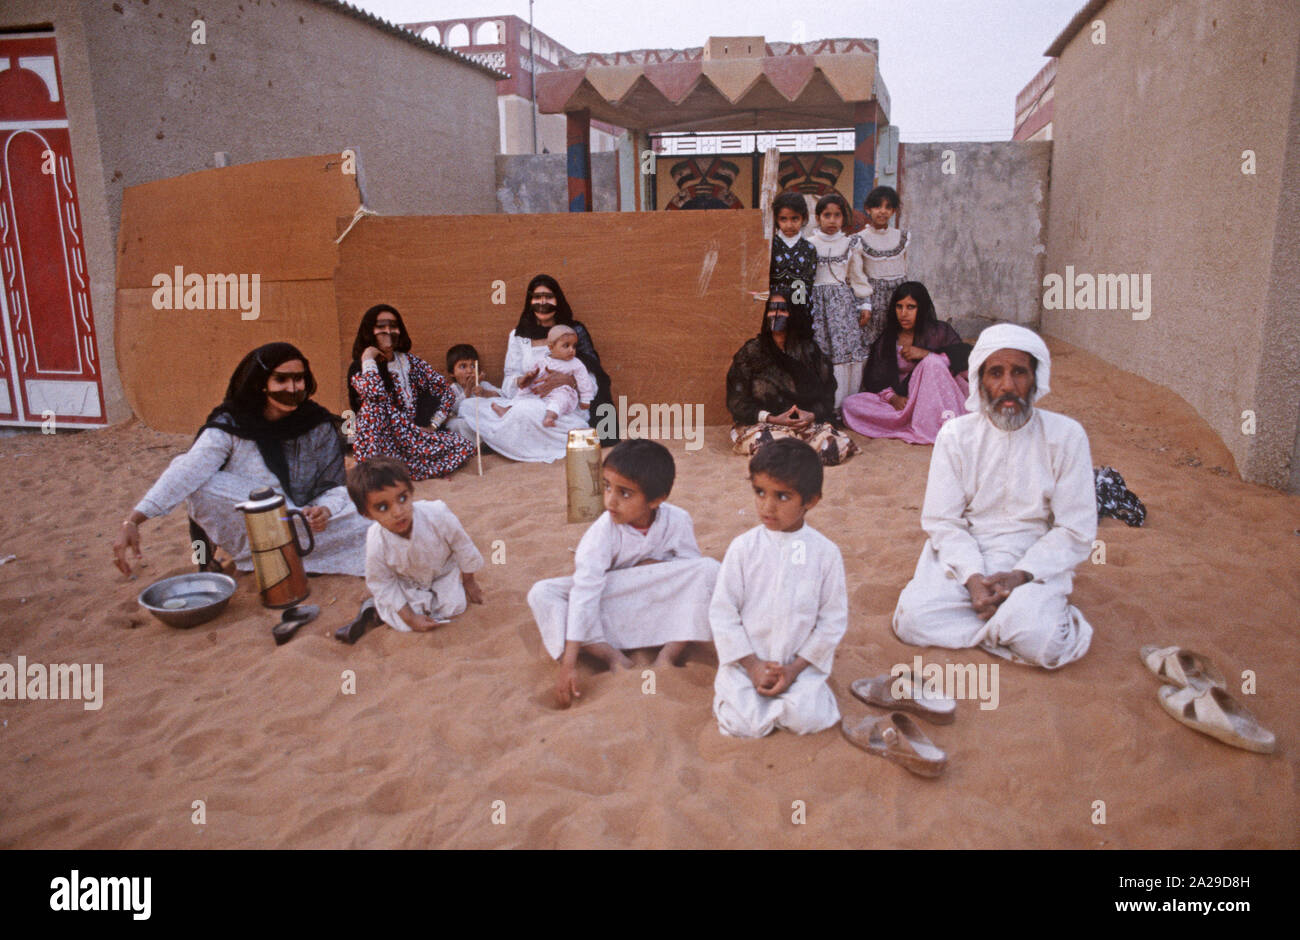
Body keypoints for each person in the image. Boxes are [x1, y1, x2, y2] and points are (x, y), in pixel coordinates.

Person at [891, 324, 1096, 668]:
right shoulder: (956, 436)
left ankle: (1014, 615)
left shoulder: (1066, 436)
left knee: (1044, 642)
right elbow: (944, 522)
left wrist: (1021, 575)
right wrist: (972, 579)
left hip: (1032, 556)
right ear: (979, 380)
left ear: (1035, 378)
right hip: (969, 552)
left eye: (1019, 372)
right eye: (996, 373)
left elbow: (1075, 531)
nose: (1007, 386)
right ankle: (1007, 622)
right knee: (912, 620)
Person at [113, 342, 369, 577]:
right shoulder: (232, 425)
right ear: (261, 383)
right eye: (281, 379)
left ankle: (285, 556)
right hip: (256, 524)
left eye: (299, 379)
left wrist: (324, 510)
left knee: (370, 516)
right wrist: (133, 520)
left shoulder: (316, 423)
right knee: (197, 480)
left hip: (307, 524)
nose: (293, 389)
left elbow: (333, 487)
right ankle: (266, 554)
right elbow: (186, 472)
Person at [526, 439, 720, 708]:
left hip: (659, 603)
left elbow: (689, 577)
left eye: (625, 493)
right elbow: (585, 593)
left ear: (656, 499)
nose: (610, 501)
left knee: (708, 569)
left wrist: (654, 567)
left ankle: (668, 656)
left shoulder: (677, 520)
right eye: (606, 487)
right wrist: (568, 664)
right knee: (542, 593)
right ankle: (612, 657)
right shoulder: (602, 532)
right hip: (612, 602)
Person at [711, 438, 848, 738]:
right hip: (746, 665)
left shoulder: (825, 554)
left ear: (810, 501)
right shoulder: (743, 549)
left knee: (808, 719)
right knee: (741, 724)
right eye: (760, 492)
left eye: (782, 497)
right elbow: (723, 613)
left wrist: (794, 669)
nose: (767, 506)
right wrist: (752, 665)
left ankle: (792, 693)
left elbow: (832, 622)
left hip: (800, 669)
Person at [456, 275, 615, 461]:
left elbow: (593, 379)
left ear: (558, 300)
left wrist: (569, 381)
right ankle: (512, 427)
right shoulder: (518, 335)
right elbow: (509, 379)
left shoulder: (572, 332)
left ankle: (509, 436)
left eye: (548, 297)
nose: (542, 302)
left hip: (562, 407)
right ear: (529, 301)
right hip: (526, 396)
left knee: (524, 411)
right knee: (469, 406)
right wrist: (521, 381)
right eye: (537, 297)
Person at [345, 456, 484, 634]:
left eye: (402, 499)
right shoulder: (375, 538)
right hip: (406, 581)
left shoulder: (437, 513)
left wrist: (469, 582)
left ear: (411, 492)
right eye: (382, 508)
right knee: (405, 621)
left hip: (443, 571)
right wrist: (410, 618)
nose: (397, 512)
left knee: (455, 607)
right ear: (367, 514)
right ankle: (373, 606)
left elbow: (462, 545)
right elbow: (382, 582)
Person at [726, 291, 857, 466]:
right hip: (764, 424)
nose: (776, 314)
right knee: (772, 448)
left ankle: (800, 448)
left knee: (831, 450)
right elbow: (736, 401)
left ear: (793, 315)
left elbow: (827, 393)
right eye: (772, 309)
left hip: (804, 423)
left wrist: (811, 415)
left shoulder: (809, 351)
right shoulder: (752, 352)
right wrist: (772, 419)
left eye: (783, 310)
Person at [347, 304, 474, 480]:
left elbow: (445, 391)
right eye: (381, 326)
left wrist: (434, 425)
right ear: (370, 330)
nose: (388, 331)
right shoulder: (360, 367)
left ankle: (402, 471)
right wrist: (368, 358)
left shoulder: (410, 362)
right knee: (372, 408)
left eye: (393, 326)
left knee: (463, 446)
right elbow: (374, 395)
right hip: (381, 441)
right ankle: (384, 471)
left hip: (412, 437)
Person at [841, 282, 971, 444]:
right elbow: (875, 378)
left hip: (934, 401)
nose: (903, 313)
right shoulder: (888, 339)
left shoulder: (939, 331)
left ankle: (932, 423)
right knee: (850, 403)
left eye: (911, 307)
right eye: (899, 307)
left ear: (921, 308)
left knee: (932, 362)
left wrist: (927, 354)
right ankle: (912, 420)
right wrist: (892, 397)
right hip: (905, 404)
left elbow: (965, 355)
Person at [806, 192, 873, 409]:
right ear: (818, 218)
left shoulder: (850, 244)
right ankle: (822, 404)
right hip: (816, 305)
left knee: (843, 350)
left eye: (837, 215)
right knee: (821, 349)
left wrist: (864, 303)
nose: (832, 220)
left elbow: (857, 276)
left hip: (842, 306)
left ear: (843, 218)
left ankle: (845, 405)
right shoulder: (808, 244)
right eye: (827, 215)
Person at [490, 325, 596, 428]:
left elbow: (584, 382)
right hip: (540, 391)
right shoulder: (544, 360)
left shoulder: (576, 364)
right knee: (524, 391)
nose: (571, 350)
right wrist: (529, 377)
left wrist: (585, 400)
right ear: (551, 347)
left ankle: (550, 417)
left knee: (561, 397)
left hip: (562, 390)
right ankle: (508, 409)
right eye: (566, 346)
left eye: (574, 346)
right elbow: (535, 371)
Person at [856, 185, 910, 347]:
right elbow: (858, 276)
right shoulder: (859, 239)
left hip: (899, 296)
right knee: (874, 342)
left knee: (900, 340)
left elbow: (905, 268)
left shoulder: (902, 237)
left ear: (893, 211)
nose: (882, 211)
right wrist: (864, 303)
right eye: (877, 206)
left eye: (888, 207)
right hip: (874, 297)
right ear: (868, 209)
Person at [768, 191, 818, 307]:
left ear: (803, 218)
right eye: (783, 219)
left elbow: (808, 283)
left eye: (794, 219)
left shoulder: (809, 249)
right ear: (776, 219)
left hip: (799, 308)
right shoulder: (770, 247)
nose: (789, 225)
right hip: (773, 308)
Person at [443, 343, 501, 441]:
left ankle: (489, 442)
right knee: (456, 424)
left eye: (473, 366)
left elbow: (501, 396)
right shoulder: (452, 389)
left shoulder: (482, 385)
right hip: (466, 425)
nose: (469, 370)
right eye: (463, 366)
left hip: (484, 422)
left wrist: (485, 393)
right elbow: (450, 409)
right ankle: (478, 444)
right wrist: (467, 391)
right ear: (452, 373)